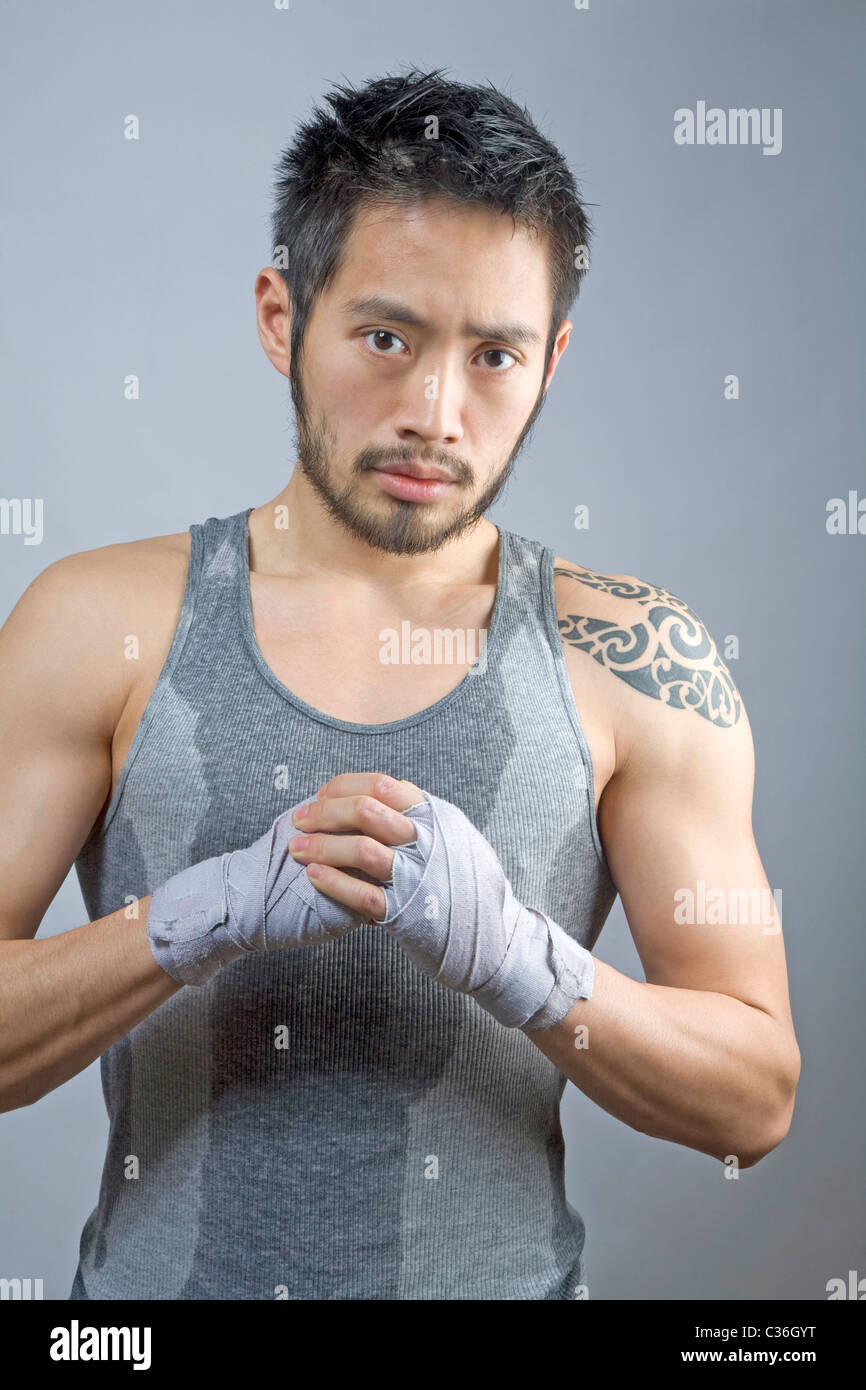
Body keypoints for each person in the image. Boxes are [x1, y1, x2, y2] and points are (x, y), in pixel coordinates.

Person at [0, 67, 800, 1301]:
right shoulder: (100, 620)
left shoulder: (631, 656)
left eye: (493, 354)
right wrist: (187, 921)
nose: (436, 411)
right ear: (282, 316)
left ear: (552, 362)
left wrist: (522, 961)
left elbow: (753, 1097)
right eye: (386, 337)